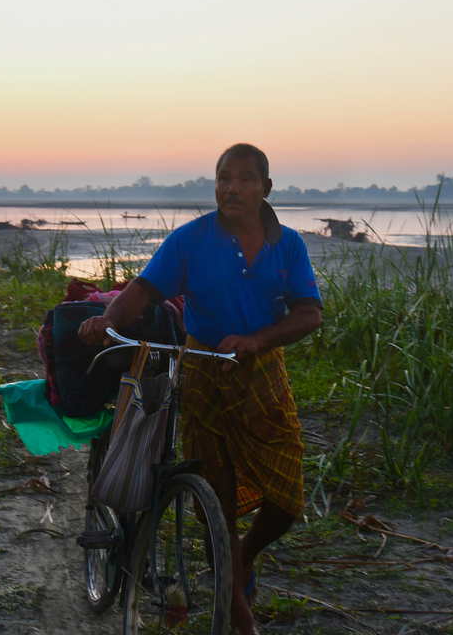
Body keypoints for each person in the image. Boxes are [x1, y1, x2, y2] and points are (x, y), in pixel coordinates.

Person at [79, 143, 323, 635]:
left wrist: (257, 340)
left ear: (266, 189)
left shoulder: (289, 245)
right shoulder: (190, 240)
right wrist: (106, 320)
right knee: (221, 502)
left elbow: (308, 313)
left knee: (288, 500)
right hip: (205, 371)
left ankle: (244, 557)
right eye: (223, 178)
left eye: (245, 179)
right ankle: (242, 620)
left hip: (262, 374)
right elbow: (145, 290)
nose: (231, 187)